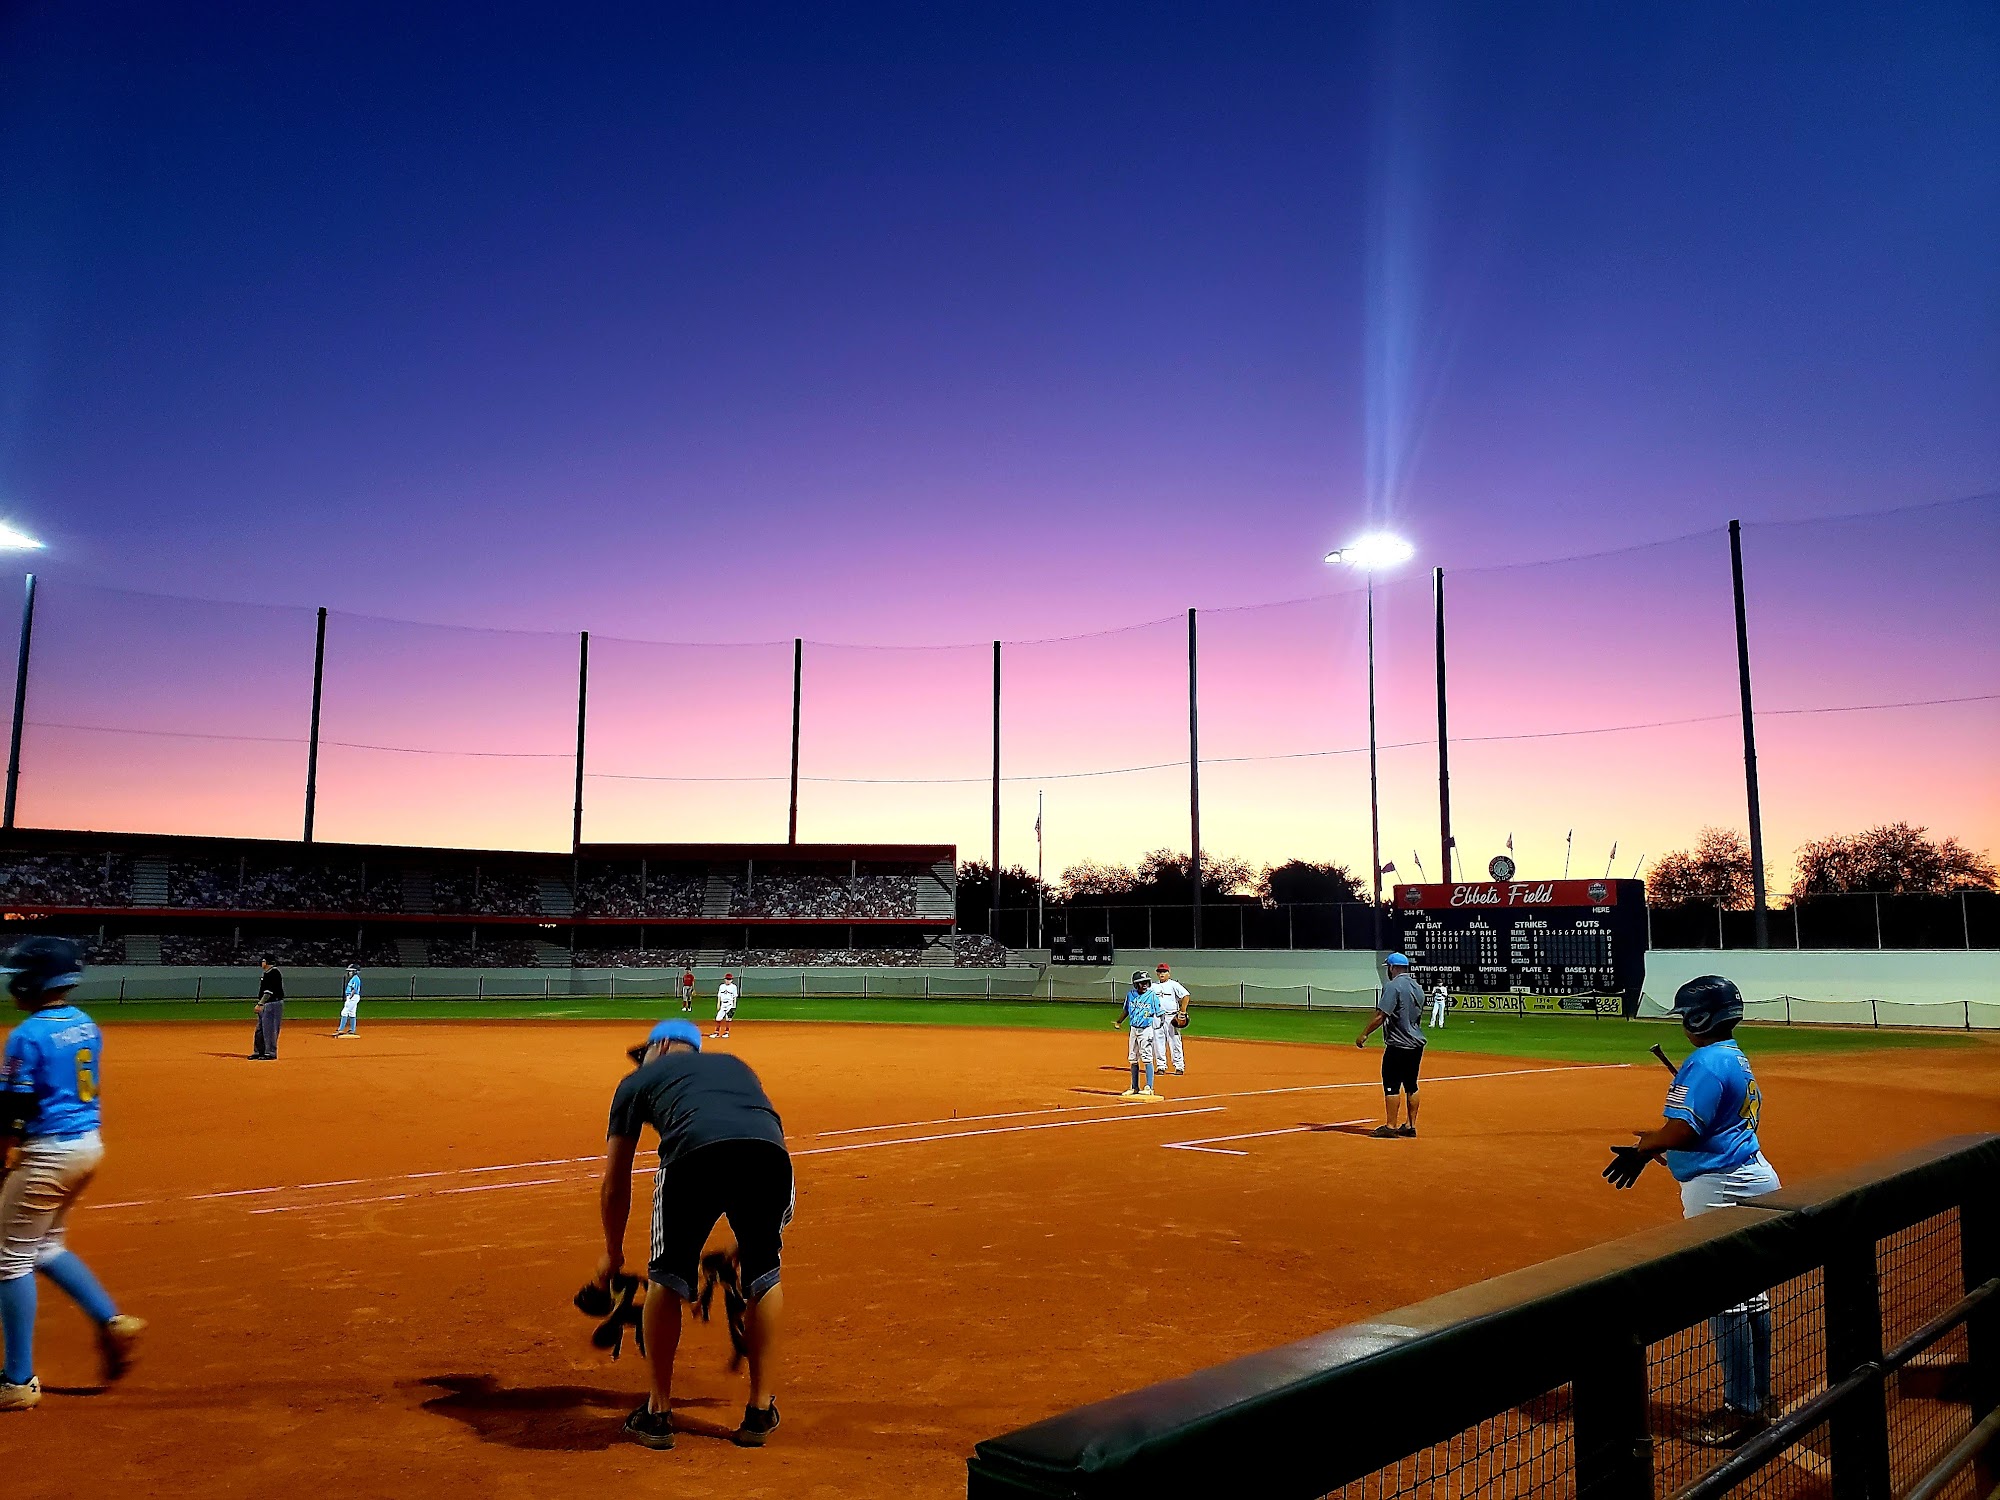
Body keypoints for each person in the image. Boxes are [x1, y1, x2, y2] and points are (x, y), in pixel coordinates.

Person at [596, 1017, 791, 1451]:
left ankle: (659, 1412)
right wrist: (749, 1240)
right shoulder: (736, 1065)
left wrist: (612, 1254)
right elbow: (759, 1132)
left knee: (667, 1276)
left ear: (660, 1046)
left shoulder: (637, 1080)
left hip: (693, 1153)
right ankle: (760, 1410)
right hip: (770, 1155)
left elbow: (615, 1182)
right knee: (765, 1274)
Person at [1604, 975, 1780, 1449]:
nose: (1683, 1022)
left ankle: (1740, 1410)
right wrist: (1657, 1142)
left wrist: (1648, 1145)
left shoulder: (1703, 1063)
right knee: (1753, 1297)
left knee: (1725, 1299)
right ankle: (1759, 1397)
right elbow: (1708, 1127)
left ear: (1699, 1017)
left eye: (1686, 1014)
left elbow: (1683, 1131)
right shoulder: (1732, 1056)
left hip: (1719, 1187)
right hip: (1750, 1173)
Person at [0, 936, 145, 1411]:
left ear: (31, 981)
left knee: (8, 1262)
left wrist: (4, 1151)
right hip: (87, 1147)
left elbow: (15, 1108)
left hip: (48, 1154)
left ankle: (17, 1381)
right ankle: (112, 1320)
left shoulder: (26, 1035)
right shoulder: (85, 1024)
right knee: (45, 1246)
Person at [1355, 952, 1426, 1138]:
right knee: (1411, 1084)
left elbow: (1381, 1015)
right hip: (1416, 1043)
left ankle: (1391, 1125)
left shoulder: (1393, 986)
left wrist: (1364, 1034)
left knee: (1391, 1084)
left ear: (1393, 968)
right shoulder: (1417, 987)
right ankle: (1410, 1125)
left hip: (1398, 1044)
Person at [1114, 971, 1162, 1101]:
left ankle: (1149, 1087)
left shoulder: (1152, 996)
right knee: (1133, 1058)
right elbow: (1126, 1010)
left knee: (1146, 1057)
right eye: (1142, 982)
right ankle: (1134, 1087)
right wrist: (1119, 1021)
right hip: (1134, 1029)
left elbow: (1160, 1012)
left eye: (1146, 982)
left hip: (1146, 1030)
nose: (1145, 985)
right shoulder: (1131, 995)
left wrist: (1160, 1023)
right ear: (1136, 984)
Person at [1152, 963, 1190, 1075]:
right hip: (1157, 1017)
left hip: (1171, 1017)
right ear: (1157, 973)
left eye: (1164, 972)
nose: (1162, 974)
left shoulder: (1174, 985)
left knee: (1175, 1041)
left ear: (1169, 973)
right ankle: (1161, 1066)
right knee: (1157, 1042)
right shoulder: (1153, 986)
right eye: (1160, 972)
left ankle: (1179, 1066)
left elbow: (1186, 996)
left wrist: (1182, 1011)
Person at [251, 958, 285, 1060]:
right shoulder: (267, 973)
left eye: (263, 961)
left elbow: (268, 992)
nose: (261, 963)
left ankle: (270, 1053)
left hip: (273, 1003)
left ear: (267, 962)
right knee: (260, 1030)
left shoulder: (274, 973)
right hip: (267, 1004)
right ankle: (259, 1051)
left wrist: (260, 1003)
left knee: (269, 1029)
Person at [335, 965, 362, 1037]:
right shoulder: (353, 978)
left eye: (351, 971)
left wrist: (350, 997)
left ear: (355, 972)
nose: (349, 972)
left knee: (344, 1012)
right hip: (353, 997)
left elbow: (354, 989)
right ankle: (352, 1030)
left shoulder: (355, 979)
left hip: (353, 997)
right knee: (352, 1013)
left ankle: (340, 1029)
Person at [712, 973, 738, 1040]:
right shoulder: (722, 986)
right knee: (718, 1018)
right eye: (727, 979)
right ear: (724, 979)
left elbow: (735, 997)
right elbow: (719, 996)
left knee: (728, 1018)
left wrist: (734, 1006)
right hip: (723, 1004)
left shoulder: (734, 987)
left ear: (731, 980)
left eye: (729, 979)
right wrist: (718, 1004)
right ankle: (716, 1032)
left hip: (730, 1004)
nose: (728, 980)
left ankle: (726, 1032)